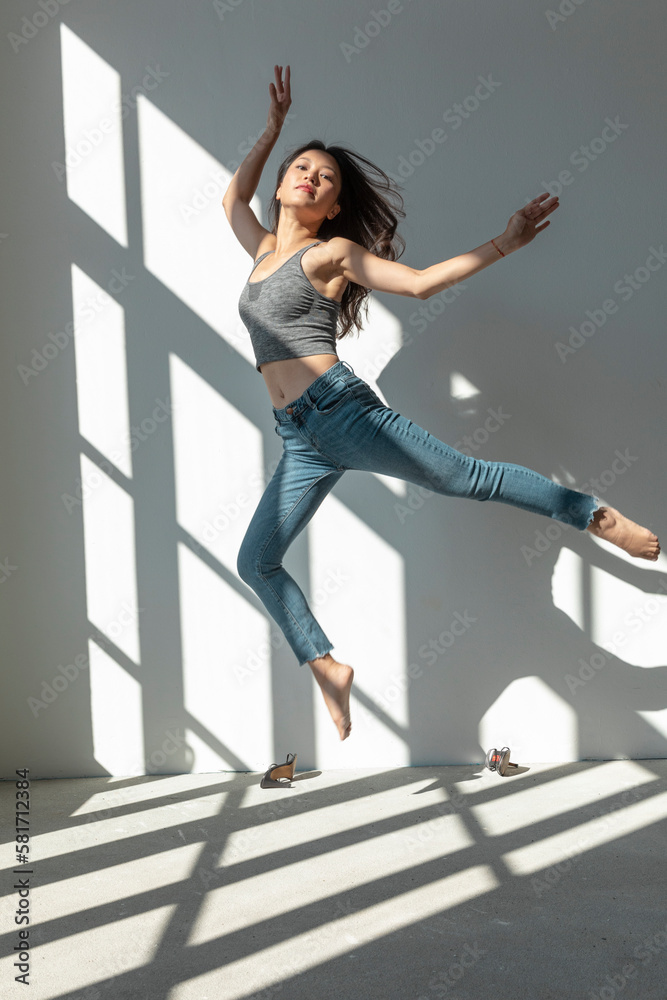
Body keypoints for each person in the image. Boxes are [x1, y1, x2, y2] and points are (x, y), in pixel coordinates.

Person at [223, 64, 660, 742]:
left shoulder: (330, 253)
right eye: (301, 168)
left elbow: (420, 284)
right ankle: (325, 663)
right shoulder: (258, 255)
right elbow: (232, 200)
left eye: (326, 178)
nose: (311, 177)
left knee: (471, 479)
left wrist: (502, 243)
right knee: (257, 561)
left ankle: (593, 515)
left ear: (334, 207)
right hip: (298, 436)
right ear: (282, 182)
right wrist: (272, 129)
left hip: (342, 412)